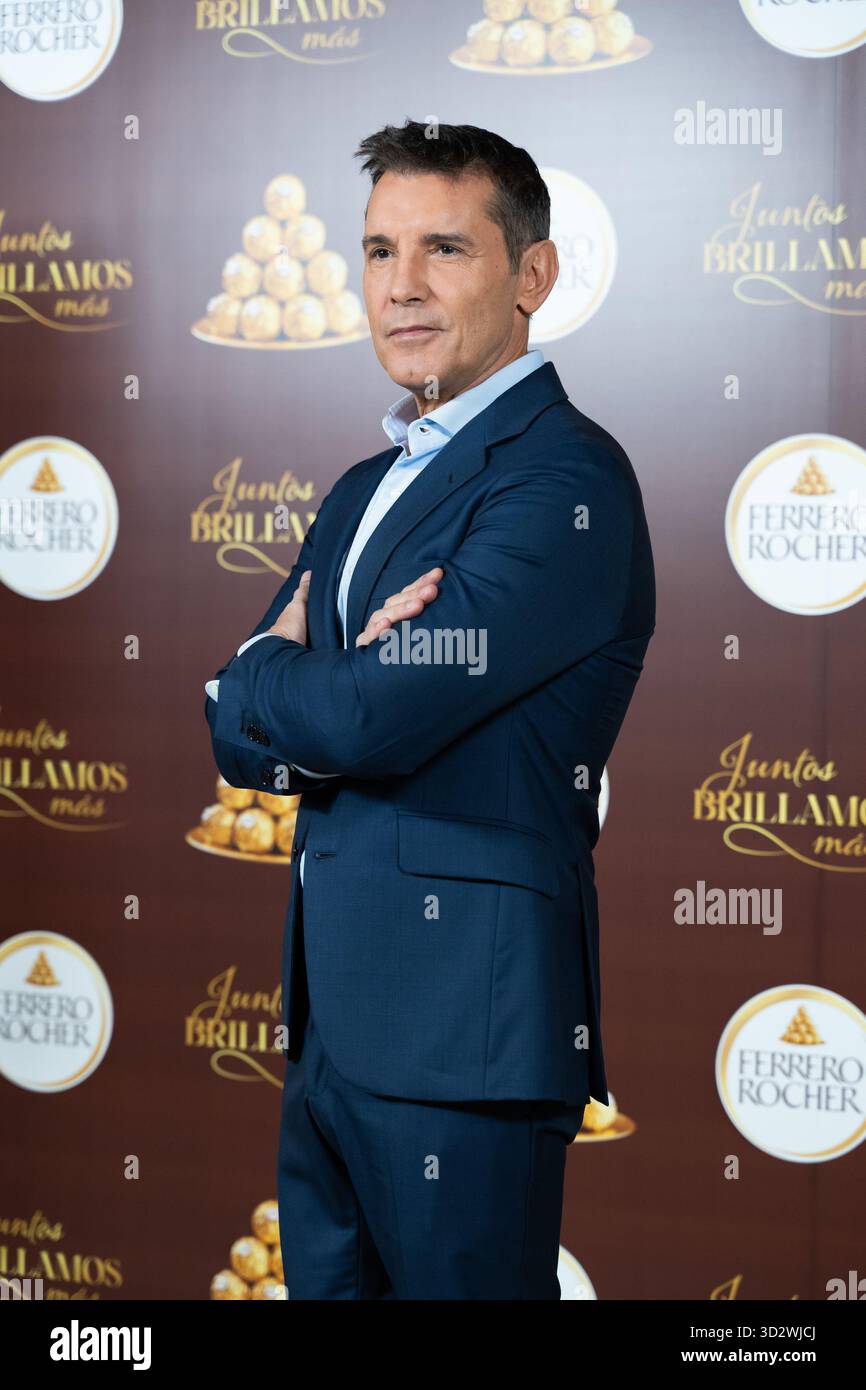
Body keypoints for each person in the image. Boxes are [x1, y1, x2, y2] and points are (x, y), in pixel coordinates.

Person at [204, 118, 655, 1299]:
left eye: (444, 249)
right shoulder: (365, 488)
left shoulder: (565, 480)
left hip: (467, 1042)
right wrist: (292, 680)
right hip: (332, 1039)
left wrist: (280, 672)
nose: (399, 286)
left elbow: (357, 721)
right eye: (376, 251)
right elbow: (231, 721)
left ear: (532, 277)